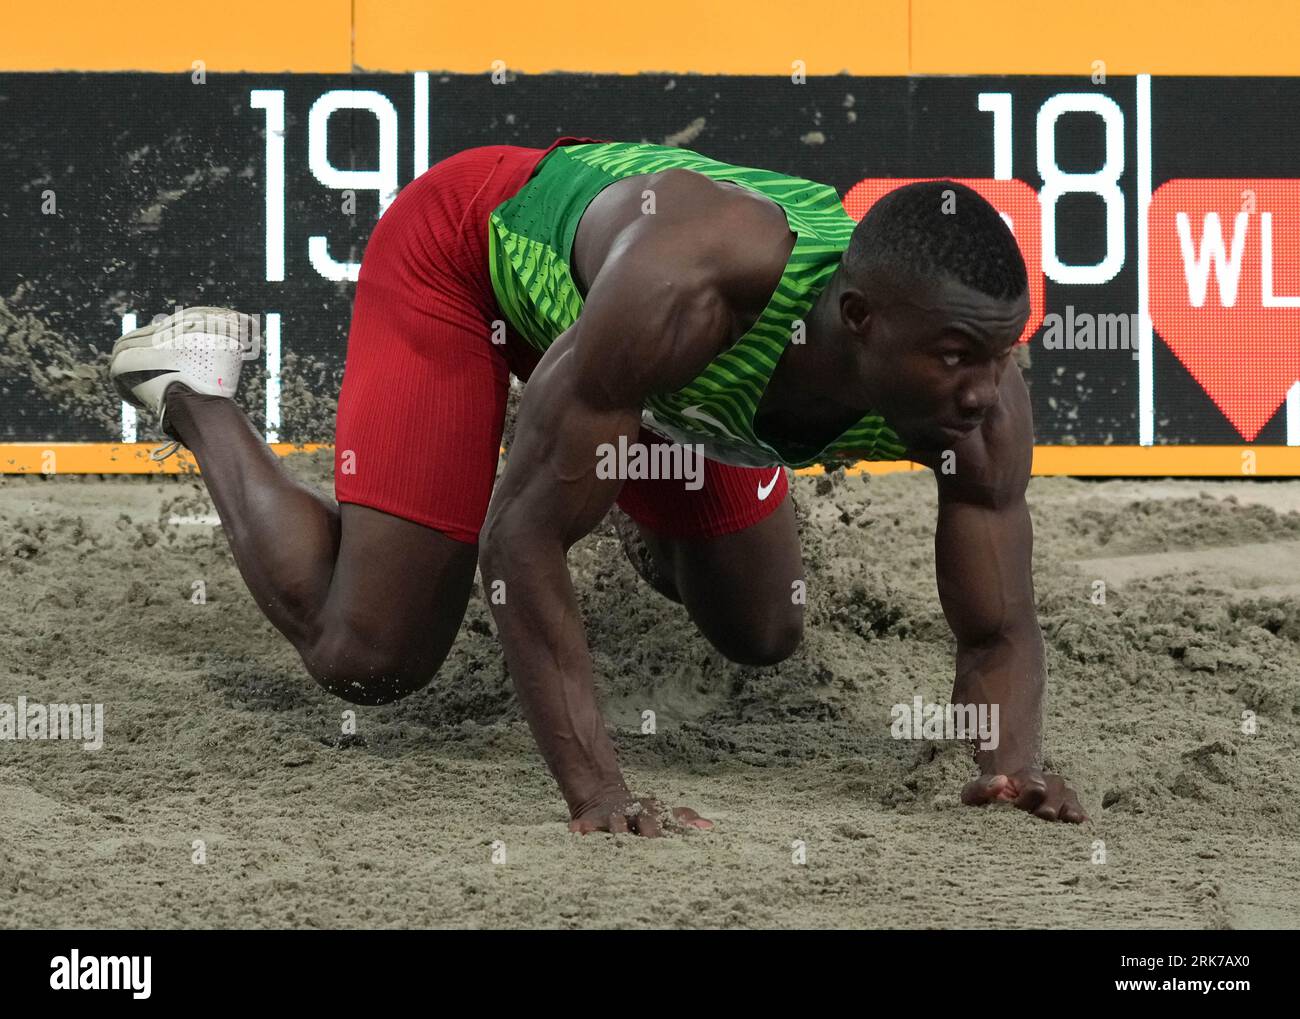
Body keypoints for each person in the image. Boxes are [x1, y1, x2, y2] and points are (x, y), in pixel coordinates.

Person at [110, 138, 1086, 837]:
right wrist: (596, 788)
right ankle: (192, 387)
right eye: (958, 358)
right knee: (371, 652)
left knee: (762, 631)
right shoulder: (692, 292)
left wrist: (1010, 770)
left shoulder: (975, 397)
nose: (985, 392)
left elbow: (996, 629)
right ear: (860, 319)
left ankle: (606, 457)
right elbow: (518, 542)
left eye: (1000, 358)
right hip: (475, 262)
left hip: (639, 356)